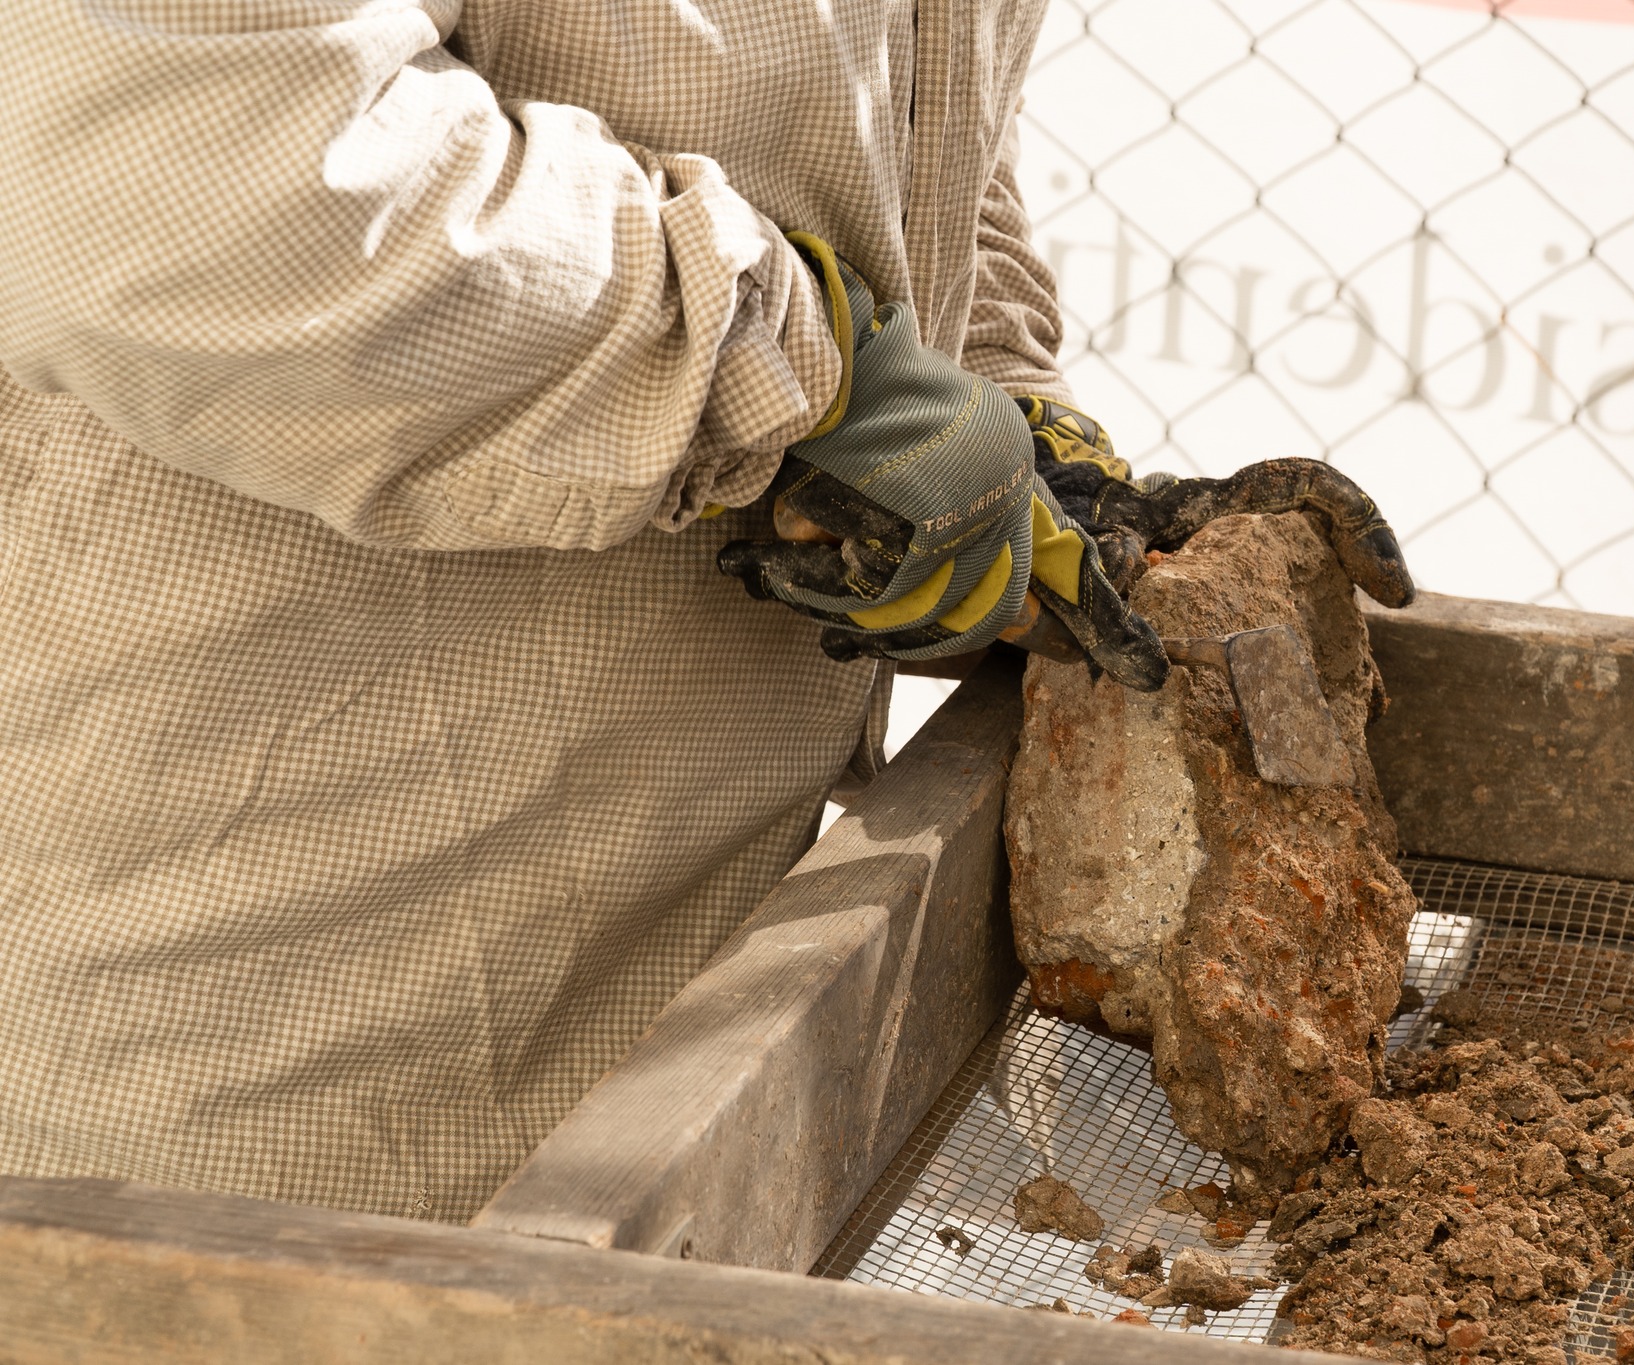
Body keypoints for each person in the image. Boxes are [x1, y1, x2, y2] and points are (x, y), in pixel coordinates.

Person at [0, 1, 1410, 1224]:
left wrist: (1001, 425)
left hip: (685, 1036)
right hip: (256, 1029)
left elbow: (916, 136)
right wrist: (796, 385)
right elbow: (190, 173)